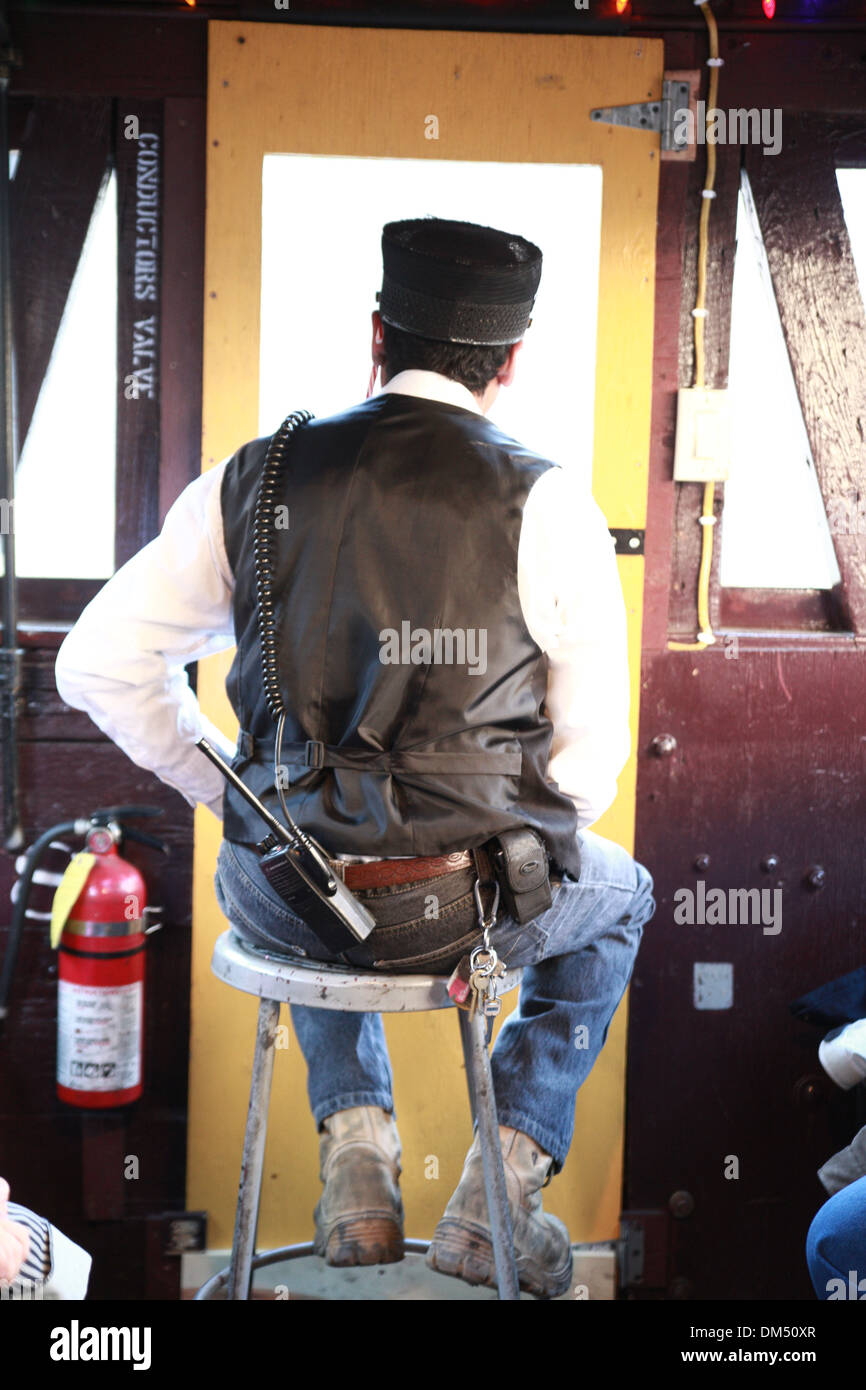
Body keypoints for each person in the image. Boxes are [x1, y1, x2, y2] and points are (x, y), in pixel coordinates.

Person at [55, 216, 655, 1299]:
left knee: (293, 848)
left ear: (376, 333)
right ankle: (500, 1183)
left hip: (290, 898)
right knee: (621, 894)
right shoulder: (548, 501)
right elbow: (586, 771)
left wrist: (221, 788)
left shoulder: (256, 473)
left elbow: (95, 663)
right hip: (465, 910)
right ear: (510, 362)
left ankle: (357, 1158)